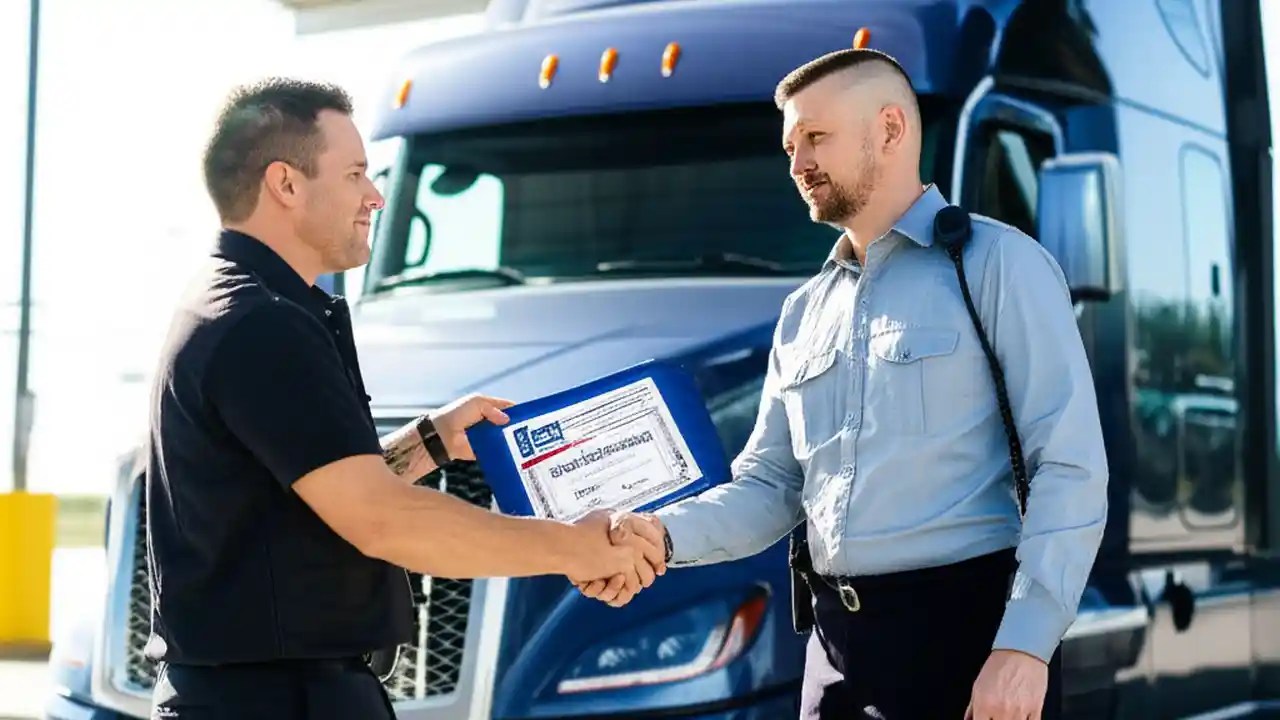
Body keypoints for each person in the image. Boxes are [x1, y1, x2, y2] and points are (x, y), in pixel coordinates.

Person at [583, 49, 1108, 720]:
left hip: (967, 646)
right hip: (834, 653)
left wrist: (1026, 646)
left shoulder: (1000, 266)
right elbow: (770, 487)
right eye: (791, 145)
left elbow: (1068, 467)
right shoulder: (804, 311)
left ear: (890, 130)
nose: (797, 163)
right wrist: (657, 536)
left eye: (816, 137)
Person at [143, 78, 667, 720]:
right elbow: (384, 520)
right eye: (356, 174)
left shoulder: (232, 303)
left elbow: (309, 502)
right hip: (279, 701)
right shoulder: (262, 324)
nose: (376, 195)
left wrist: (431, 442)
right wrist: (576, 547)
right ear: (286, 184)